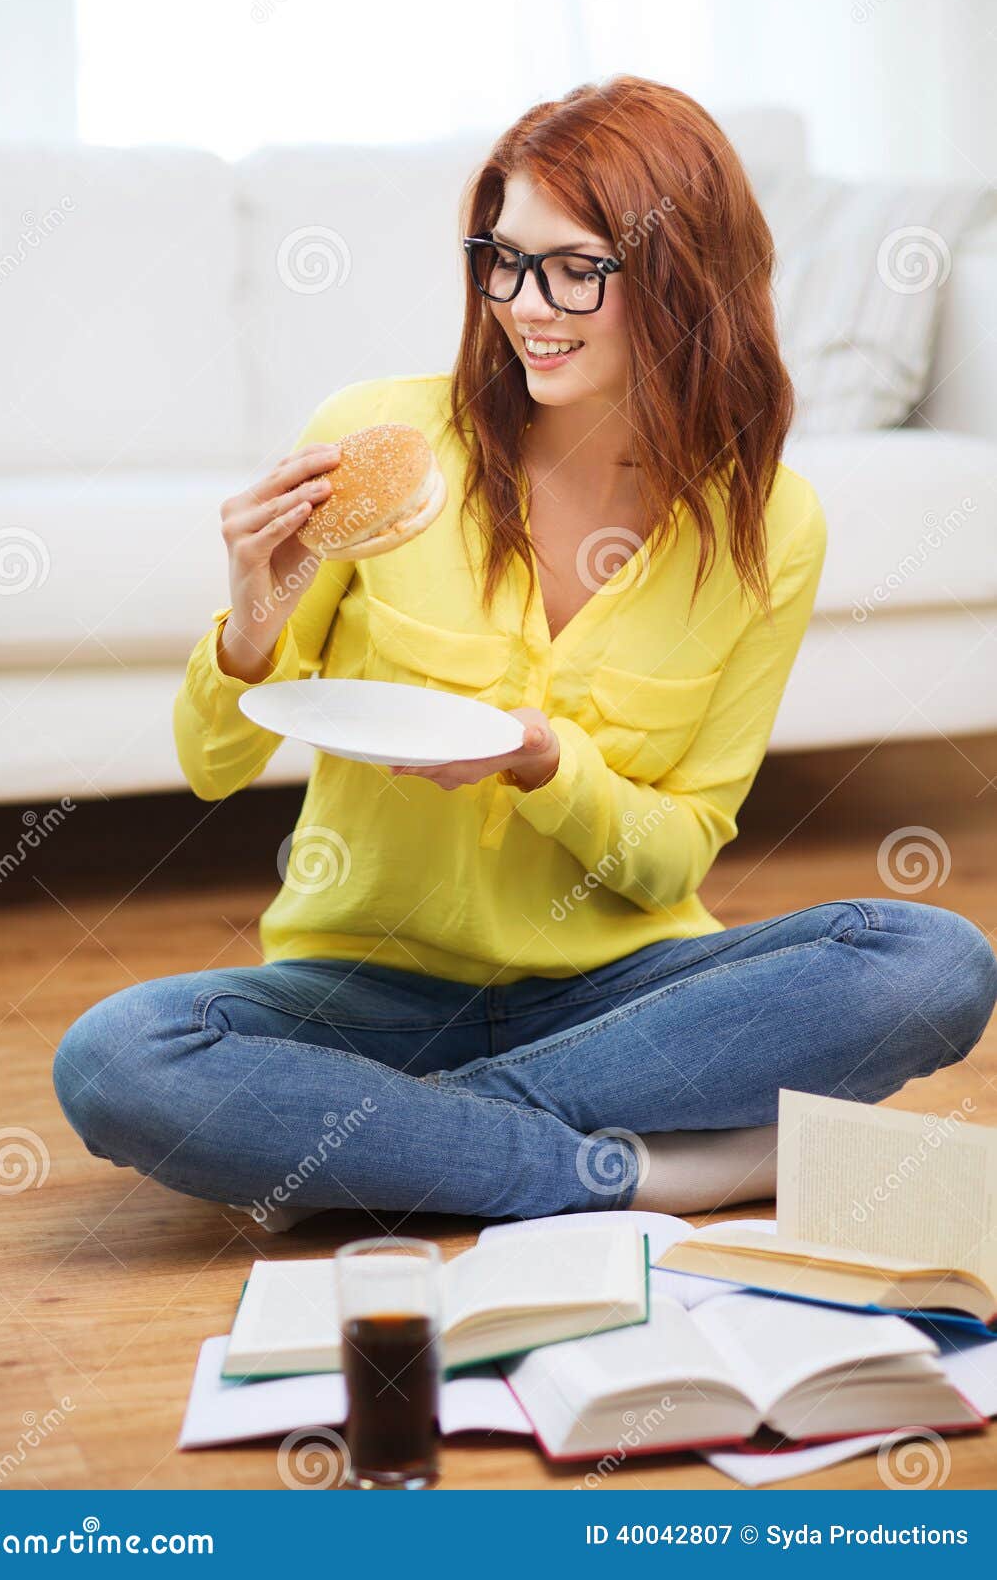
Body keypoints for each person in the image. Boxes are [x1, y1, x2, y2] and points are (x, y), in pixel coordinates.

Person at [53, 76, 997, 1229]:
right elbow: (210, 767)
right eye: (499, 259)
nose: (522, 304)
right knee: (116, 1057)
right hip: (365, 990)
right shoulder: (379, 441)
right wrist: (250, 628)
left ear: (681, 278)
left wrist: (548, 766)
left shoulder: (767, 523)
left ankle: (390, 1136)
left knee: (930, 960)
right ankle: (626, 1172)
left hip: (623, 999)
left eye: (572, 267)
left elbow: (672, 856)